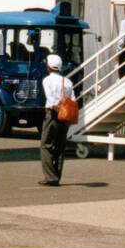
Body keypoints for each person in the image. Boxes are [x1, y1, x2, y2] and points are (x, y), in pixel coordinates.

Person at [39, 54, 73, 186]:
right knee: (59, 146)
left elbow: (51, 99)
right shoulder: (68, 81)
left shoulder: (47, 80)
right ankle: (57, 175)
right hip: (65, 116)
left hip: (53, 114)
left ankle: (50, 177)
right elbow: (72, 99)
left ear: (48, 67)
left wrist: (55, 109)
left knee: (46, 145)